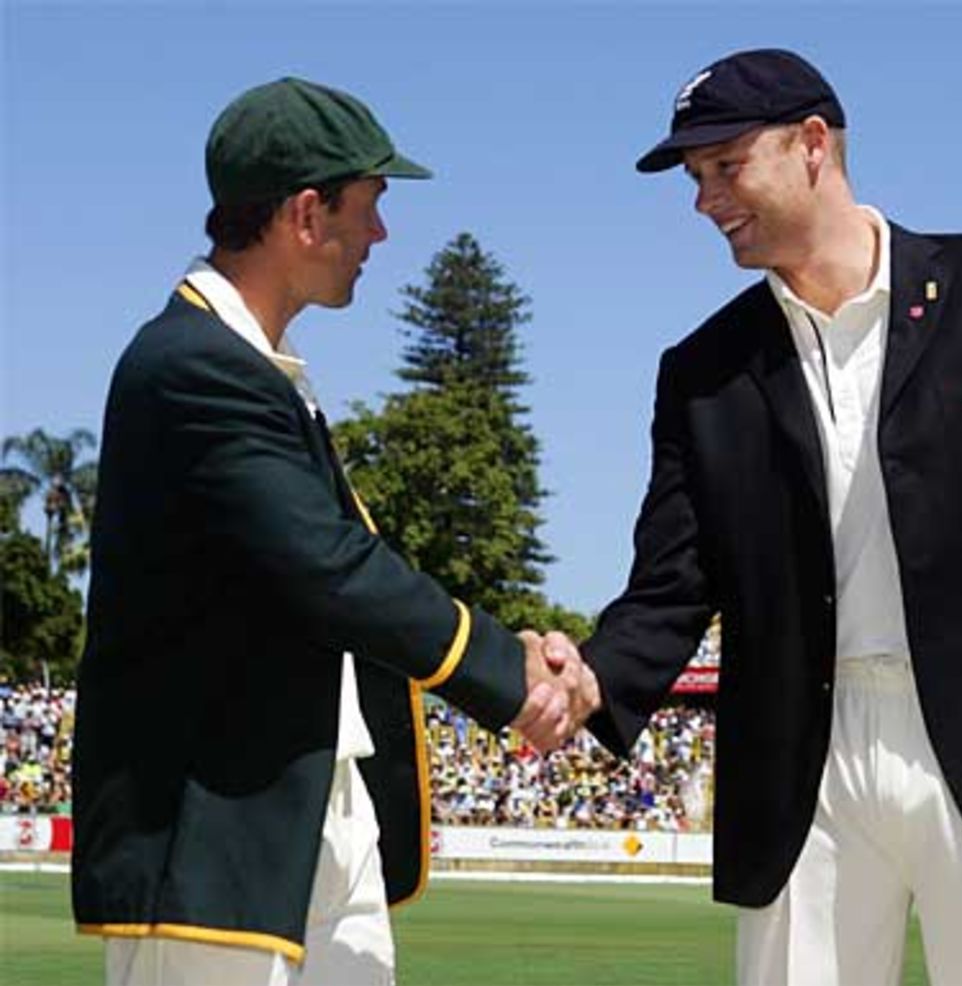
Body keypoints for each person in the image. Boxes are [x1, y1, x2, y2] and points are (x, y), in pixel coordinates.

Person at [569, 48, 962, 986]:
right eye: (696, 179)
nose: (705, 201)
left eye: (724, 167)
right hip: (802, 767)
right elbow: (672, 583)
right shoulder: (703, 370)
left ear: (813, 145)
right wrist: (586, 681)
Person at [71, 77, 592, 986]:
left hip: (305, 805)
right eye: (370, 205)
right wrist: (508, 671)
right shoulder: (193, 366)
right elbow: (332, 570)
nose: (380, 236)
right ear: (306, 214)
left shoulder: (252, 369)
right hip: (211, 832)